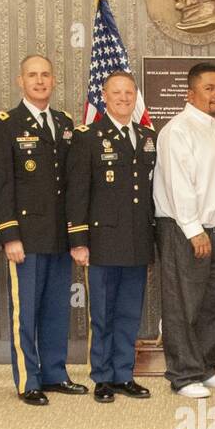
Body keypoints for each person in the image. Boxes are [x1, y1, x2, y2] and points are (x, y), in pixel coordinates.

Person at [0, 54, 82, 405]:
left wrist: (76, 235)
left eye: (45, 75)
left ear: (54, 80)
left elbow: (70, 182)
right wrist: (9, 234)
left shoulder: (64, 121)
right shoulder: (5, 124)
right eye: (32, 75)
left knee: (57, 309)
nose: (40, 81)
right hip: (25, 236)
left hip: (59, 235)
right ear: (20, 81)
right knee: (24, 312)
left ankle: (55, 372)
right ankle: (29, 379)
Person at [65, 70, 156, 404]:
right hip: (102, 241)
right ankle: (102, 377)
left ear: (136, 97)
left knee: (130, 313)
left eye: (129, 93)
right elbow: (77, 191)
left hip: (137, 239)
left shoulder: (147, 136)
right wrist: (78, 240)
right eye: (116, 93)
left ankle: (124, 374)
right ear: (104, 97)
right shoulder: (88, 136)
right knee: (102, 314)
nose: (123, 99)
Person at [153, 61, 215, 399]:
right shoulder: (178, 130)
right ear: (190, 94)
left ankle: (205, 367)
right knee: (183, 304)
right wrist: (193, 229)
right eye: (209, 88)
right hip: (185, 230)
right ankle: (183, 374)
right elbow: (180, 185)